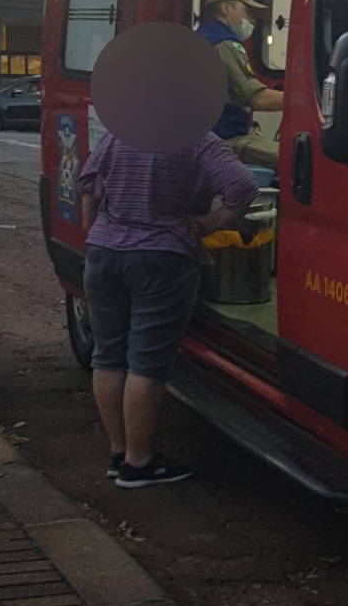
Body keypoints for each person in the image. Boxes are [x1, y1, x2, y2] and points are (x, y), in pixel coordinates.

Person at [78, 130, 258, 487]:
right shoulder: (199, 141)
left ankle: (118, 452)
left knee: (108, 356)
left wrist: (93, 230)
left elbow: (88, 184)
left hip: (104, 255)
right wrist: (213, 223)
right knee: (146, 362)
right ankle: (139, 463)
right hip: (161, 257)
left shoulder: (118, 135)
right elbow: (244, 187)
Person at [196, 0, 284, 166]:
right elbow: (256, 99)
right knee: (295, 157)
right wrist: (302, 99)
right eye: (247, 11)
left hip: (201, 139)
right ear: (226, 8)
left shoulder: (202, 37)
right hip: (217, 139)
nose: (252, 20)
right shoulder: (224, 44)